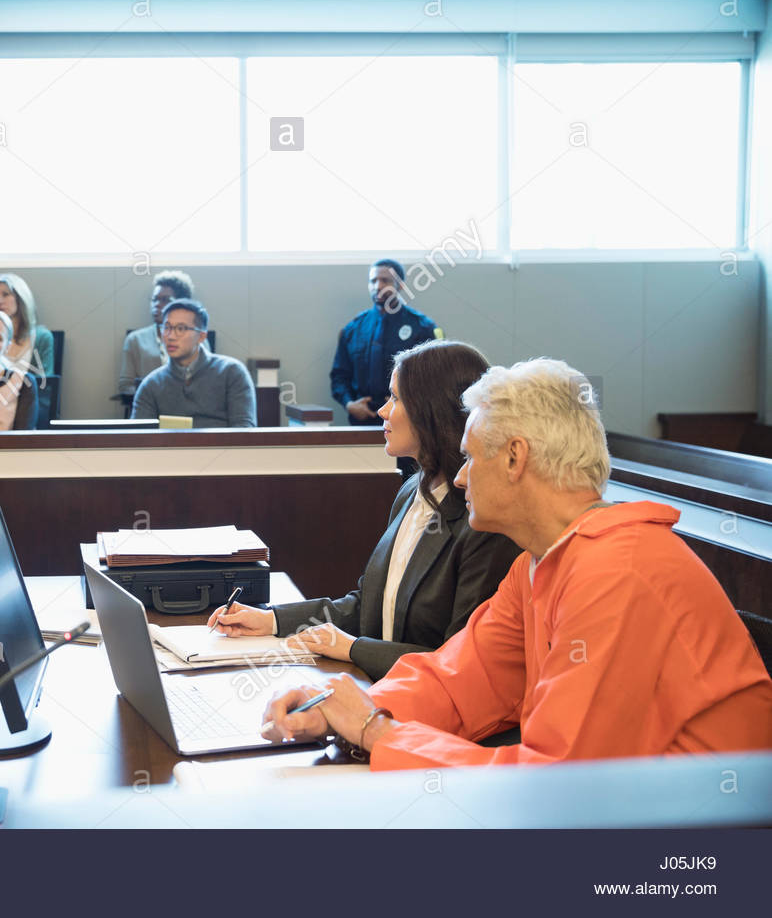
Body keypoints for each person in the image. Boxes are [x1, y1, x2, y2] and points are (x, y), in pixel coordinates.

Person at [262, 359, 772, 767]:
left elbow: (554, 788)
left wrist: (377, 731)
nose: (460, 479)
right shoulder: (541, 562)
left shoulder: (615, 572)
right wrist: (337, 706)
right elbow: (457, 679)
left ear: (514, 457)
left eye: (470, 458)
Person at [212, 341, 521, 681]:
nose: (383, 411)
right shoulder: (410, 492)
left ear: (431, 409)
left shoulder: (484, 520)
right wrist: (271, 619)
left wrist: (352, 648)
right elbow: (367, 605)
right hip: (380, 688)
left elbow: (459, 661)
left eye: (396, 398)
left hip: (426, 709)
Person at [331, 259, 440, 426]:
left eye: (385, 280)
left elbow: (433, 378)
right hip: (361, 422)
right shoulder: (353, 329)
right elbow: (339, 376)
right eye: (373, 281)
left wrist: (406, 402)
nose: (378, 286)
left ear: (401, 285)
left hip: (406, 422)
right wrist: (349, 404)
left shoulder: (422, 327)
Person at [131, 299, 255, 428]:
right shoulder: (151, 384)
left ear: (201, 336)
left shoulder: (231, 372)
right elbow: (139, 438)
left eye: (181, 328)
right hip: (171, 448)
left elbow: (244, 432)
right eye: (167, 327)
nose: (171, 336)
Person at [117, 269, 194, 397]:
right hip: (149, 408)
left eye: (165, 300)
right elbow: (125, 386)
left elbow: (205, 383)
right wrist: (152, 396)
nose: (157, 305)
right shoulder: (136, 339)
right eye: (154, 299)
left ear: (181, 304)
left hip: (189, 409)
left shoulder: (195, 338)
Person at [0, 273, 52, 424]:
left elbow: (47, 388)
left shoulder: (42, 338)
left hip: (30, 414)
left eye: (5, 294)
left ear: (21, 298)